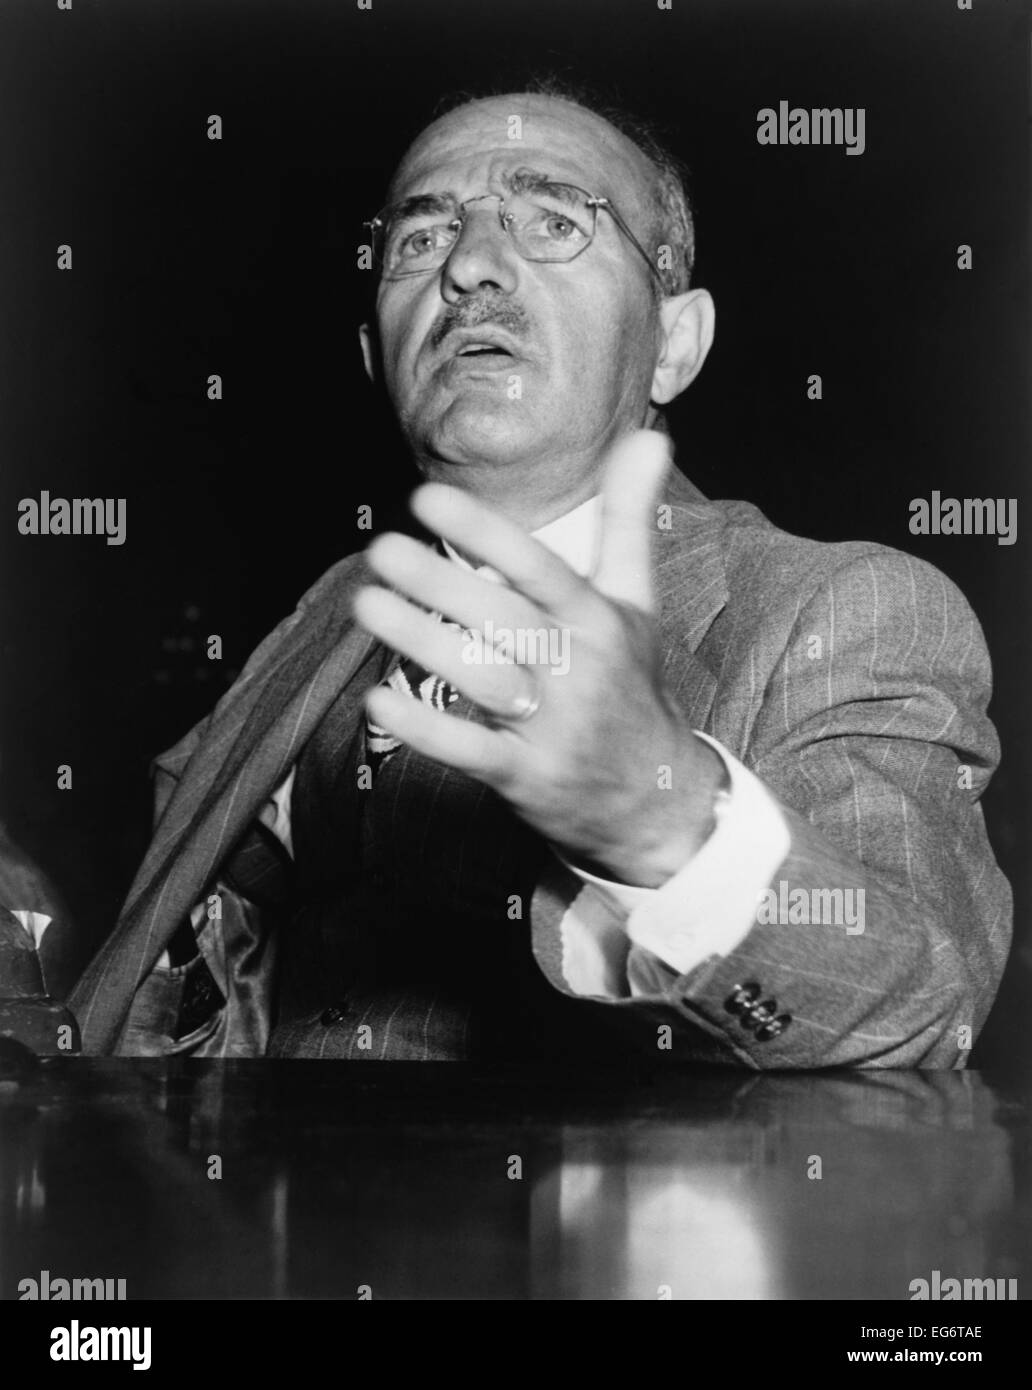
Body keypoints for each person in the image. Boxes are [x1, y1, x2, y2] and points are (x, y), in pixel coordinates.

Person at [69, 81, 1011, 1067]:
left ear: (674, 345)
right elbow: (196, 924)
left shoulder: (844, 610)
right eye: (418, 241)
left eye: (555, 219)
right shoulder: (336, 605)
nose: (469, 267)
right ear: (372, 354)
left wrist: (664, 825)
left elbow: (920, 1009)